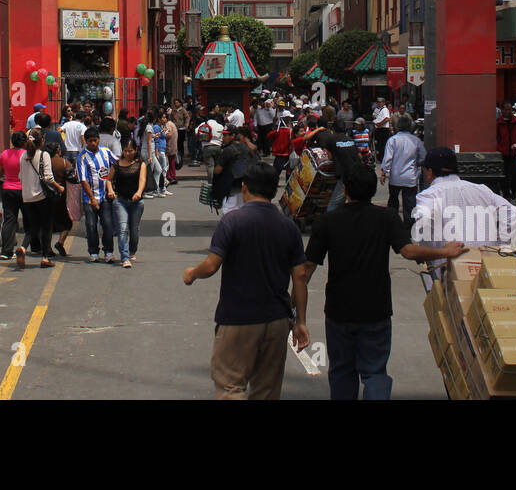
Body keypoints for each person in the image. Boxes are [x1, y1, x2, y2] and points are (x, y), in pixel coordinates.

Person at [303, 164, 467, 400]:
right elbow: (409, 251)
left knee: (341, 371)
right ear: (372, 190)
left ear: (346, 190)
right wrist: (444, 251)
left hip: (339, 308)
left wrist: (295, 303)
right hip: (376, 308)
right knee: (375, 372)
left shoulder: (328, 221)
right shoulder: (386, 217)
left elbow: (307, 267)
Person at [183, 163, 309, 400]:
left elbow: (211, 266)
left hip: (238, 318)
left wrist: (191, 273)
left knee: (230, 385)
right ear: (274, 192)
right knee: (267, 390)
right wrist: (300, 320)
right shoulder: (288, 226)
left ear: (244, 188)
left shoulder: (232, 222)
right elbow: (300, 276)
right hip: (276, 319)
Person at [18, 129, 59, 269]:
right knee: (46, 226)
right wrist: (58, 187)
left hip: (27, 197)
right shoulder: (44, 155)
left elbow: (20, 177)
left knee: (33, 226)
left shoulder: (23, 156)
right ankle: (45, 257)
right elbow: (48, 177)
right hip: (42, 196)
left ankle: (23, 248)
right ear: (41, 141)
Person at [76, 127, 117, 262]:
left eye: (95, 140)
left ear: (99, 140)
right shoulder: (82, 157)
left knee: (108, 224)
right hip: (90, 198)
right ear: (86, 142)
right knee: (91, 225)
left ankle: (108, 251)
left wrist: (110, 182)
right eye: (90, 141)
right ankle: (93, 252)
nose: (93, 143)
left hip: (105, 196)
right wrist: (92, 198)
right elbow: (83, 180)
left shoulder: (106, 152)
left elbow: (118, 163)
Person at [381, 114, 426, 221]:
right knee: (409, 205)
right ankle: (409, 228)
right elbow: (423, 158)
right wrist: (416, 164)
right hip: (410, 177)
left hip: (395, 177)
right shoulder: (416, 141)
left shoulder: (393, 140)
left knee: (393, 202)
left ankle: (393, 223)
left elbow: (387, 159)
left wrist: (384, 172)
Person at [0, 131, 29, 265]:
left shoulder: (4, 154)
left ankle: (6, 251)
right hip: (24, 190)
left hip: (7, 189)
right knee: (29, 219)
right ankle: (27, 246)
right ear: (24, 142)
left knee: (9, 220)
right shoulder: (26, 155)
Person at [110, 139, 147, 268]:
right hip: (120, 200)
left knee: (134, 229)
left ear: (135, 150)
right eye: (125, 151)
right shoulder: (116, 164)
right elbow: (108, 180)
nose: (127, 153)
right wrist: (110, 190)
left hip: (136, 202)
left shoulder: (140, 164)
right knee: (123, 228)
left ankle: (132, 250)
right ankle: (124, 257)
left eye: (130, 151)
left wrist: (139, 192)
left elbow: (142, 180)